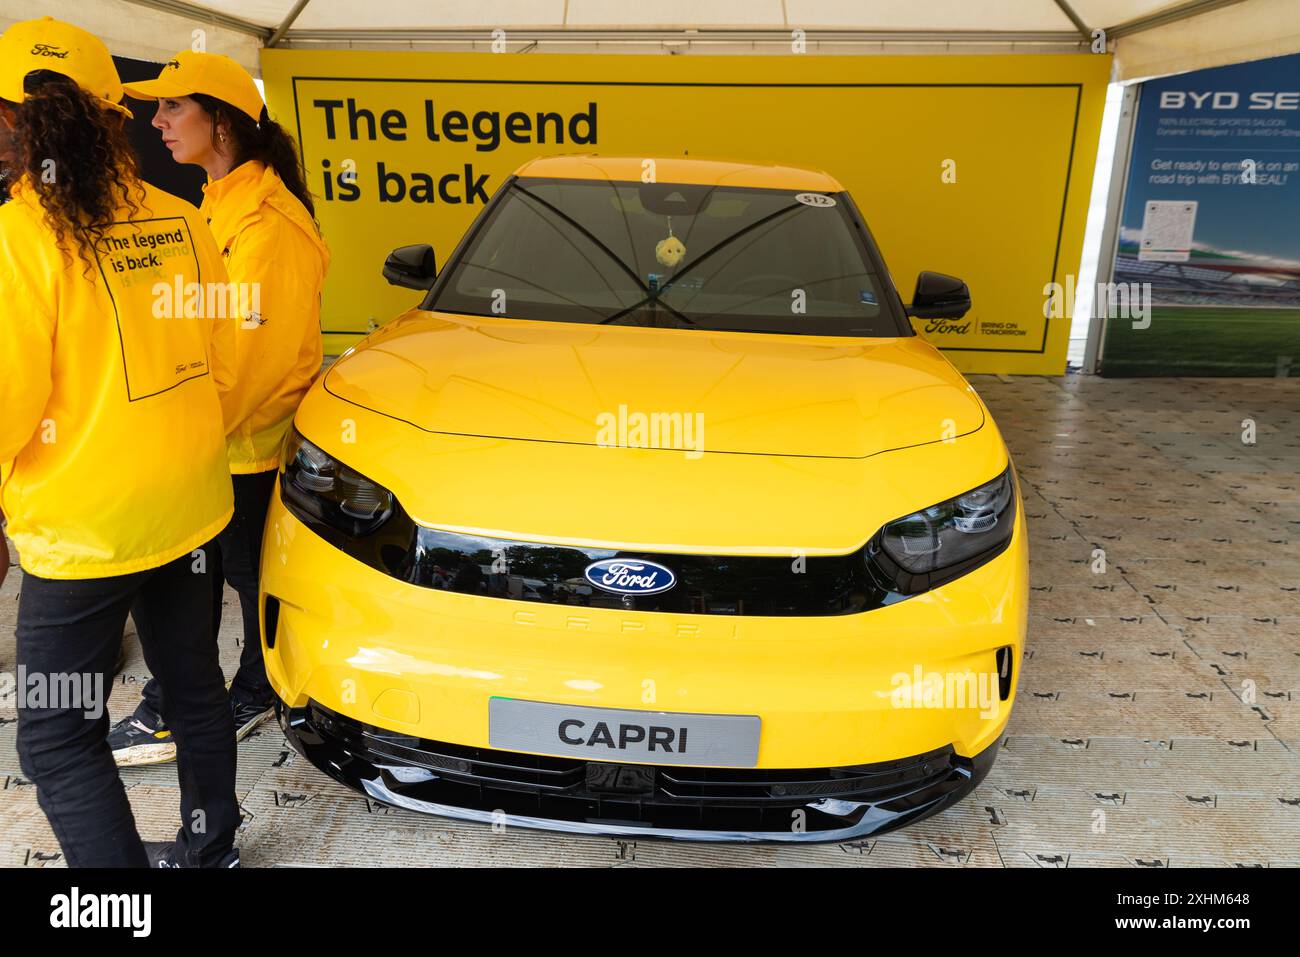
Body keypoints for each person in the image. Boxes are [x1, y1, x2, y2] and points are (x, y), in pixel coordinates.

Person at [0, 16, 241, 867]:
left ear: (8, 122)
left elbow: (6, 406)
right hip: (188, 505)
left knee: (60, 734)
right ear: (113, 117)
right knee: (195, 685)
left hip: (85, 533)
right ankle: (213, 852)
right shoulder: (182, 220)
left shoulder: (22, 238)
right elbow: (222, 360)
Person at [106, 50, 330, 765]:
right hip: (220, 437)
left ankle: (238, 694)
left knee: (236, 576)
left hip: (247, 442)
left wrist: (179, 434)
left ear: (222, 122)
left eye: (175, 107)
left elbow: (252, 361)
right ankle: (212, 694)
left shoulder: (268, 227)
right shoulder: (222, 200)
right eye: (158, 106)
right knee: (224, 576)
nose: (157, 119)